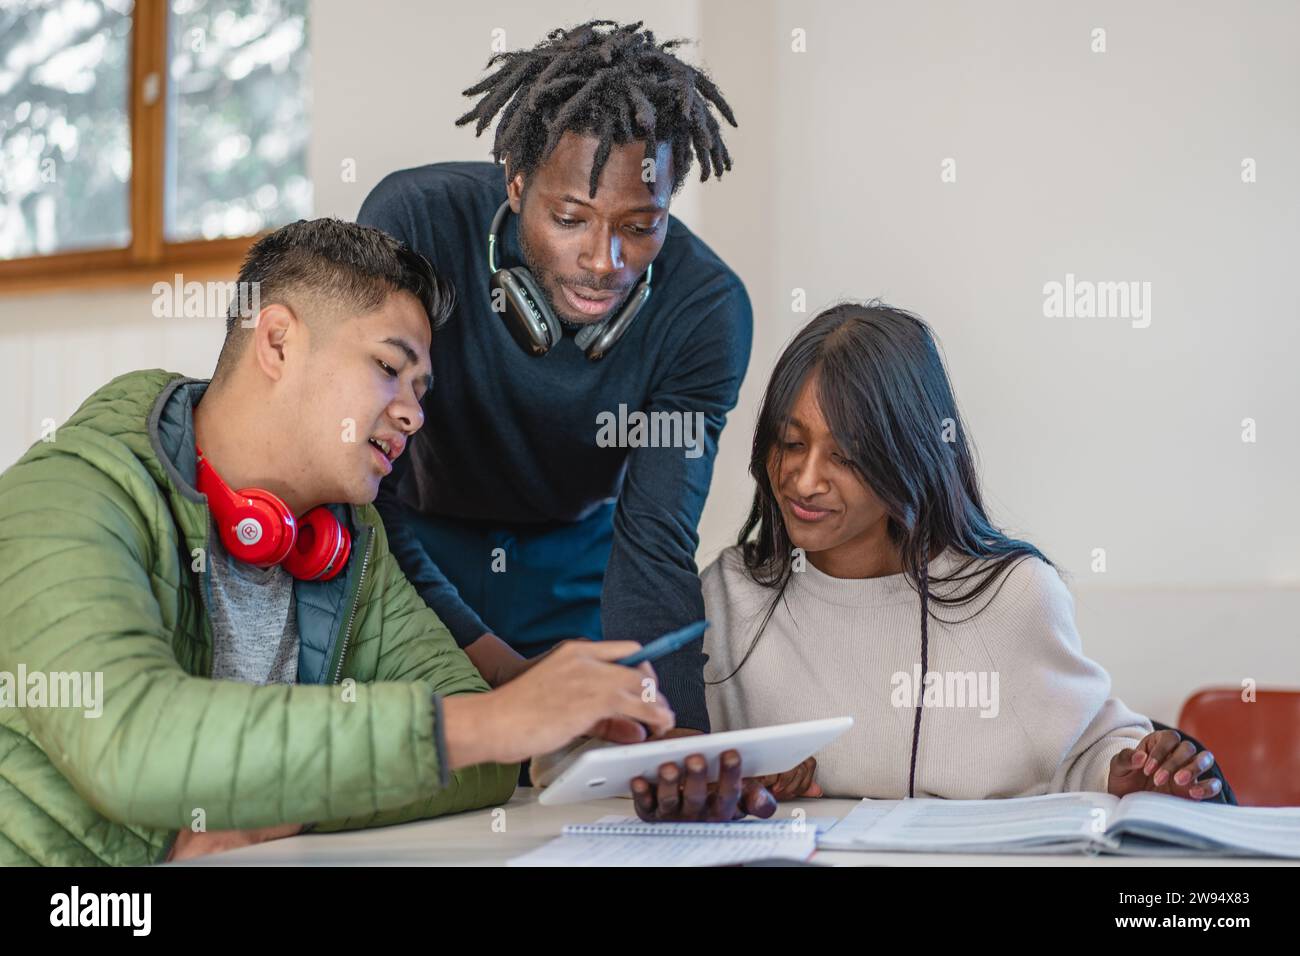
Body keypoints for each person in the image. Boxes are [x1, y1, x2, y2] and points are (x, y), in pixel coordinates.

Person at [0, 218, 675, 866]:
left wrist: (277, 806)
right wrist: (494, 722)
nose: (413, 413)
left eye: (420, 389)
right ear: (278, 343)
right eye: (389, 366)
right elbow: (129, 739)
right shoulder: (69, 493)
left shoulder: (346, 537)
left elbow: (484, 768)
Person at [701, 302, 1223, 803]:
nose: (806, 480)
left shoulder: (1013, 593)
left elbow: (1088, 753)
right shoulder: (728, 594)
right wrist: (732, 779)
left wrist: (1130, 772)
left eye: (844, 455)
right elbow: (680, 761)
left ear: (908, 455)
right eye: (791, 444)